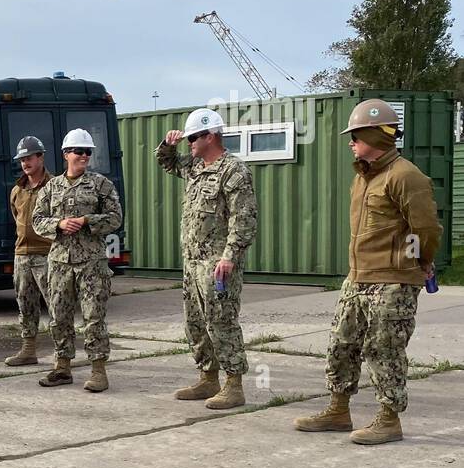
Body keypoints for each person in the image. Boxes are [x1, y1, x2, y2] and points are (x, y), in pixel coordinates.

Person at [293, 99, 442, 444]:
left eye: (356, 136)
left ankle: (388, 420)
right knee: (341, 345)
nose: (351, 142)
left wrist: (418, 263)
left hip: (393, 282)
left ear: (378, 136)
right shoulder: (363, 176)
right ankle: (338, 410)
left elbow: (426, 230)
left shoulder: (406, 176)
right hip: (358, 278)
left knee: (384, 350)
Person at [156, 108, 259, 409]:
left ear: (210, 136)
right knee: (196, 323)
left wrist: (230, 256)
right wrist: (168, 143)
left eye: (193, 137)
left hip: (217, 263)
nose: (189, 142)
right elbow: (166, 161)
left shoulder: (233, 170)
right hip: (193, 263)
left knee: (221, 322)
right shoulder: (195, 167)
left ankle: (234, 385)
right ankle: (208, 377)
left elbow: (244, 218)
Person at [31, 128, 123, 393]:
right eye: (78, 151)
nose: (84, 156)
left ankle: (98, 370)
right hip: (60, 262)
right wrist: (58, 224)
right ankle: (62, 367)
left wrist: (87, 221)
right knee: (59, 317)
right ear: (66, 154)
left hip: (91, 263)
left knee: (94, 318)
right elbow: (37, 220)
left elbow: (116, 218)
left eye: (87, 152)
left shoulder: (100, 184)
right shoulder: (52, 187)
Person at [5, 136, 53, 366]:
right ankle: (28, 350)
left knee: (56, 304)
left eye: (29, 157)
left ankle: (62, 353)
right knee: (26, 304)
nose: (25, 163)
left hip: (47, 254)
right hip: (22, 254)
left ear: (40, 157)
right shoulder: (17, 190)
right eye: (22, 159)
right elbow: (17, 218)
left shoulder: (54, 186)